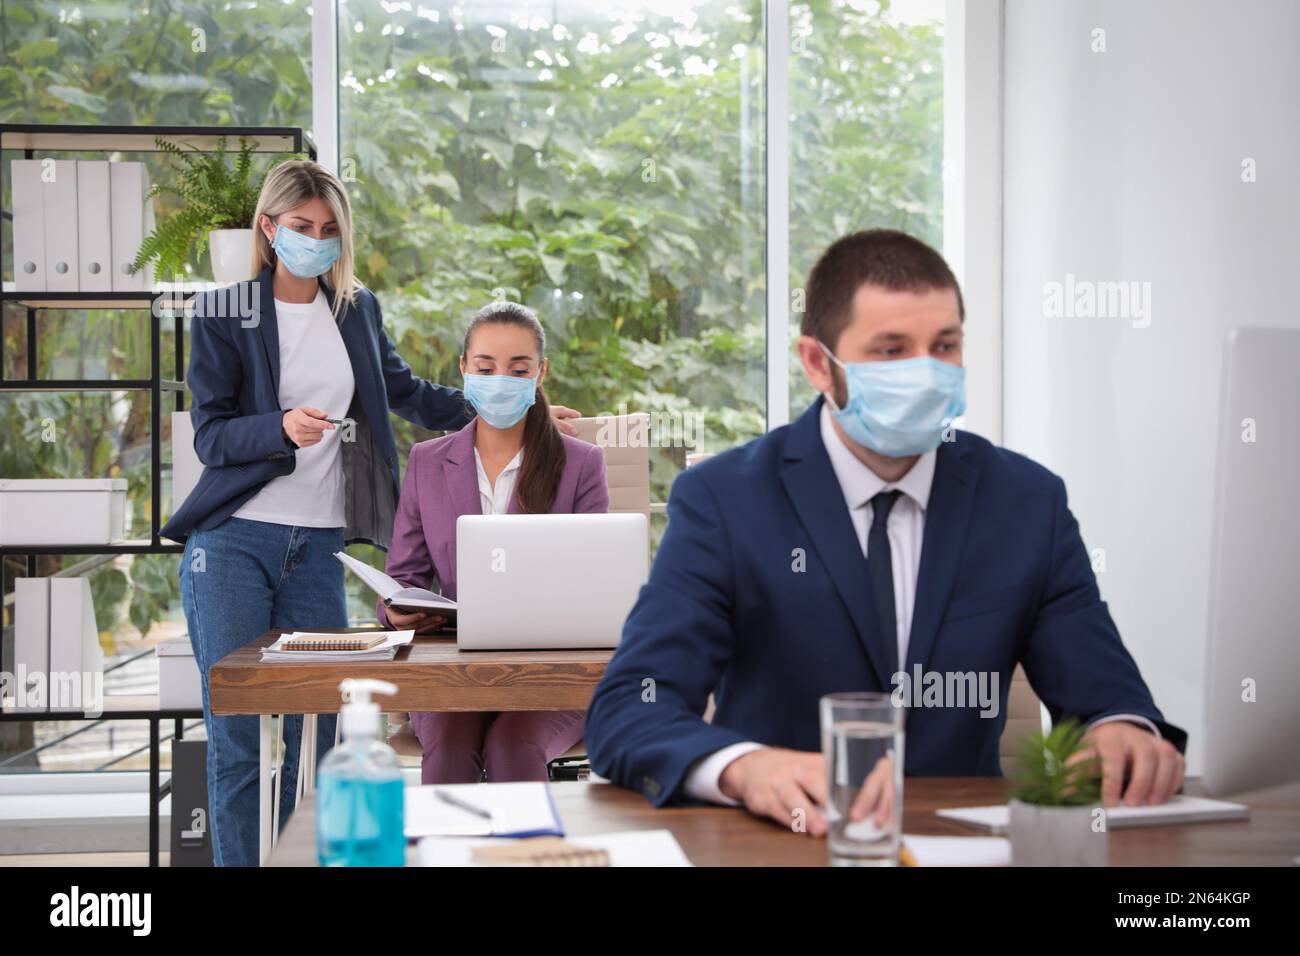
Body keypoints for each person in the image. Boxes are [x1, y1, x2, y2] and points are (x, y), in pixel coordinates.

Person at [585, 229, 1187, 837]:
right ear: (819, 363)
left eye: (944, 345)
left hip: (963, 846)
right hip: (787, 843)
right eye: (891, 350)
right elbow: (631, 708)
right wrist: (743, 767)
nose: (926, 373)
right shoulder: (725, 500)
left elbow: (1106, 694)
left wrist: (1124, 732)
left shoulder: (1028, 503)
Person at [162, 161, 578, 865]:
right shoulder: (223, 312)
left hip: (319, 546)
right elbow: (209, 435)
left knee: (325, 734)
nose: (316, 241)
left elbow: (407, 392)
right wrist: (278, 427)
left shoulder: (356, 309)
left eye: (329, 230)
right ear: (269, 227)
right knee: (238, 740)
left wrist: (515, 407)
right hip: (234, 542)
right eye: (301, 228)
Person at [380, 300, 609, 783]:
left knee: (512, 748)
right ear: (464, 369)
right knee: (449, 747)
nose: (500, 379)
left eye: (518, 368)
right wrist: (395, 610)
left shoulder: (582, 464)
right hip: (455, 668)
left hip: (548, 674)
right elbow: (403, 577)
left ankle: (528, 857)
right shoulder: (426, 461)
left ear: (540, 373)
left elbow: (597, 586)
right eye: (485, 367)